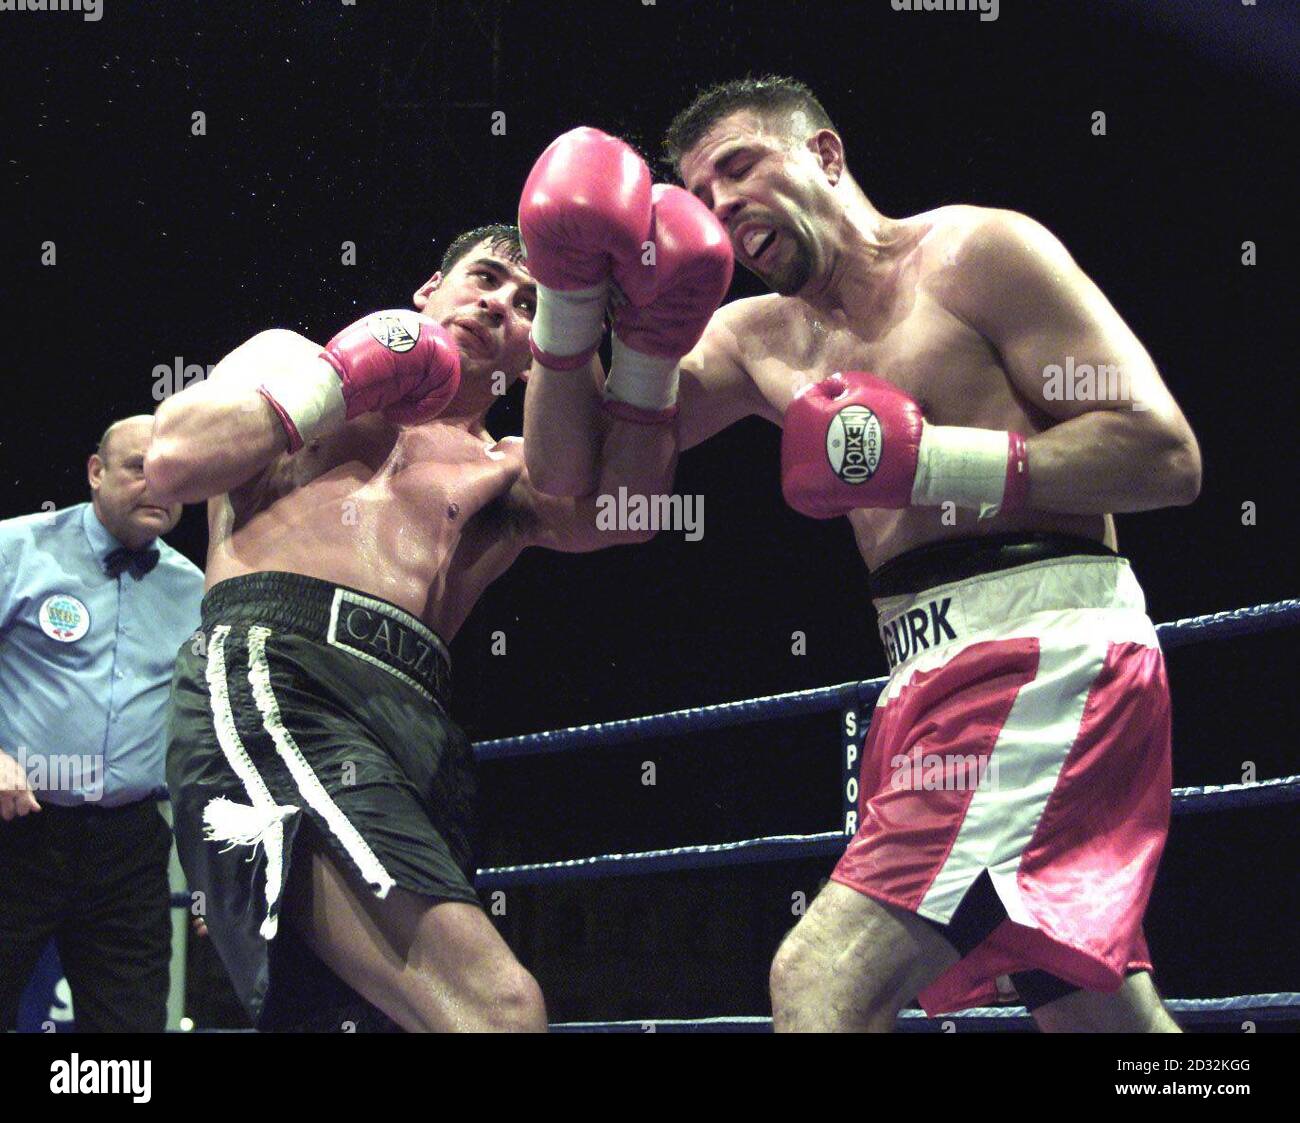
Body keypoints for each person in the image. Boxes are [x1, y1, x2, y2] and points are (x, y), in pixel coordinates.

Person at [520, 79, 1202, 1033]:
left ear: (827, 156)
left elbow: (1164, 456)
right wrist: (572, 308)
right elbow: (584, 493)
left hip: (1044, 653)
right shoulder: (755, 338)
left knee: (820, 979)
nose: (718, 207)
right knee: (1100, 1021)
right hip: (922, 677)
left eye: (739, 167)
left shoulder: (978, 253)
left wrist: (932, 463)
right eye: (699, 195)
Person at [146, 221, 730, 1032]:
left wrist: (646, 347)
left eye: (531, 305)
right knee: (498, 1008)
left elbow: (623, 511)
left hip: (417, 729)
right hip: (280, 675)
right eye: (486, 279)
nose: (499, 306)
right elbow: (172, 459)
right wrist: (345, 380)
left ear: (537, 349)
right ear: (429, 289)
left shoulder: (507, 468)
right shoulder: (291, 358)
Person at [0, 416, 204, 1031]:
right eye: (138, 468)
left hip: (130, 847)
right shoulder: (16, 547)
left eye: (173, 475)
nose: (157, 487)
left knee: (131, 1032)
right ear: (96, 472)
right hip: (17, 831)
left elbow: (204, 735)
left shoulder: (193, 587)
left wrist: (211, 866)